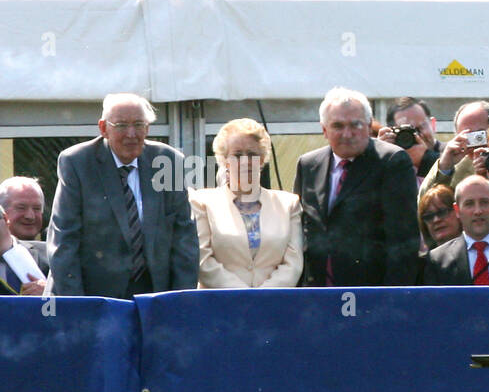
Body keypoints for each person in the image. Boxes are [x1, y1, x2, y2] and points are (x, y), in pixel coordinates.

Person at [47, 93, 198, 298]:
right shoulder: (77, 163)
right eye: (121, 125)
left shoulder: (168, 161)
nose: (131, 134)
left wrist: (181, 300)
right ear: (103, 128)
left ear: (148, 129)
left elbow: (185, 239)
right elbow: (64, 239)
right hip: (94, 295)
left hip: (156, 294)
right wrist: (77, 305)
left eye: (138, 124)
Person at [295, 87, 420, 287]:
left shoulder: (391, 162)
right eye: (338, 125)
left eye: (356, 125)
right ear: (324, 129)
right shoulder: (308, 165)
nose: (347, 133)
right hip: (317, 295)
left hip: (370, 294)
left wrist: (392, 300)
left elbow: (403, 241)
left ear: (369, 125)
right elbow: (301, 231)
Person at [189, 119, 303, 289]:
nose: (245, 161)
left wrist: (263, 296)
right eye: (237, 155)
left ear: (263, 159)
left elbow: (293, 263)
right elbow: (202, 260)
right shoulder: (202, 202)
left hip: (274, 305)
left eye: (252, 154)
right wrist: (243, 295)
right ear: (224, 160)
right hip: (219, 305)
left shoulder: (289, 204)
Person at [419, 176, 489, 286]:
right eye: (469, 204)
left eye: (484, 202)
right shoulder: (437, 260)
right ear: (457, 210)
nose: (478, 211)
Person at [377, 97, 443, 183]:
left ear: (433, 124)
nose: (416, 136)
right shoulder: (388, 161)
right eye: (406, 132)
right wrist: (377, 159)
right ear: (391, 132)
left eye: (420, 127)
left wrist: (426, 160)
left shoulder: (452, 153)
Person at [0, 178, 47, 295]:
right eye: (21, 208)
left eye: (36, 209)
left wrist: (51, 293)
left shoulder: (53, 254)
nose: (30, 216)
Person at [418, 184, 461, 253]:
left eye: (442, 212)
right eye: (429, 216)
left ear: (457, 211)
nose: (436, 220)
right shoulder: (423, 262)